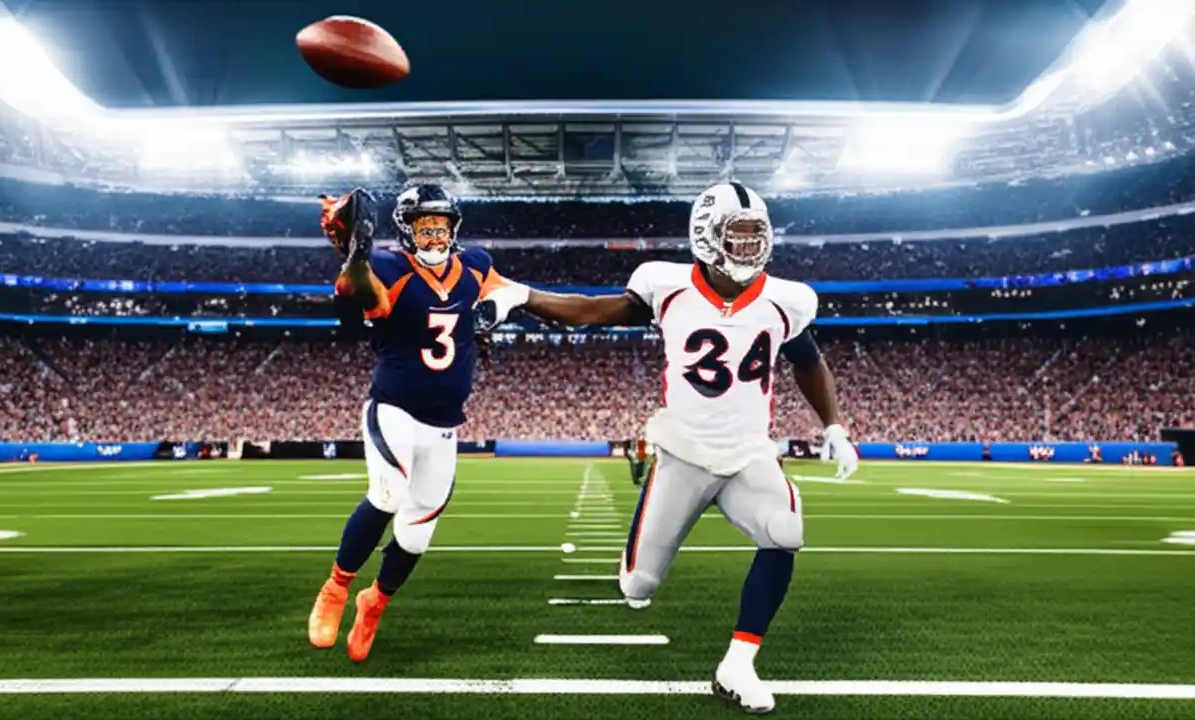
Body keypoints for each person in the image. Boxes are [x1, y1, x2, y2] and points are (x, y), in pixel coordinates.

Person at [481, 181, 858, 714]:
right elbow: (593, 312)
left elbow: (808, 361)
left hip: (748, 453)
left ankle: (738, 664)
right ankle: (641, 551)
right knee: (638, 586)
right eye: (739, 235)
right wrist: (524, 296)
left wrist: (834, 427)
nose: (750, 247)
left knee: (785, 530)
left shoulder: (785, 299)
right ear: (706, 236)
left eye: (757, 236)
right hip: (682, 453)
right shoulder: (668, 286)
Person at [307, 184, 507, 662]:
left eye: (441, 224)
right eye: (424, 225)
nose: (434, 234)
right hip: (394, 405)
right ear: (407, 229)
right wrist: (356, 255)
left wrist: (497, 308)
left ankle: (373, 602)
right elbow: (363, 296)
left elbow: (500, 291)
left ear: (453, 228)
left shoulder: (475, 263)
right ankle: (335, 589)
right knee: (388, 494)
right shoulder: (390, 267)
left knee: (418, 534)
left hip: (444, 424)